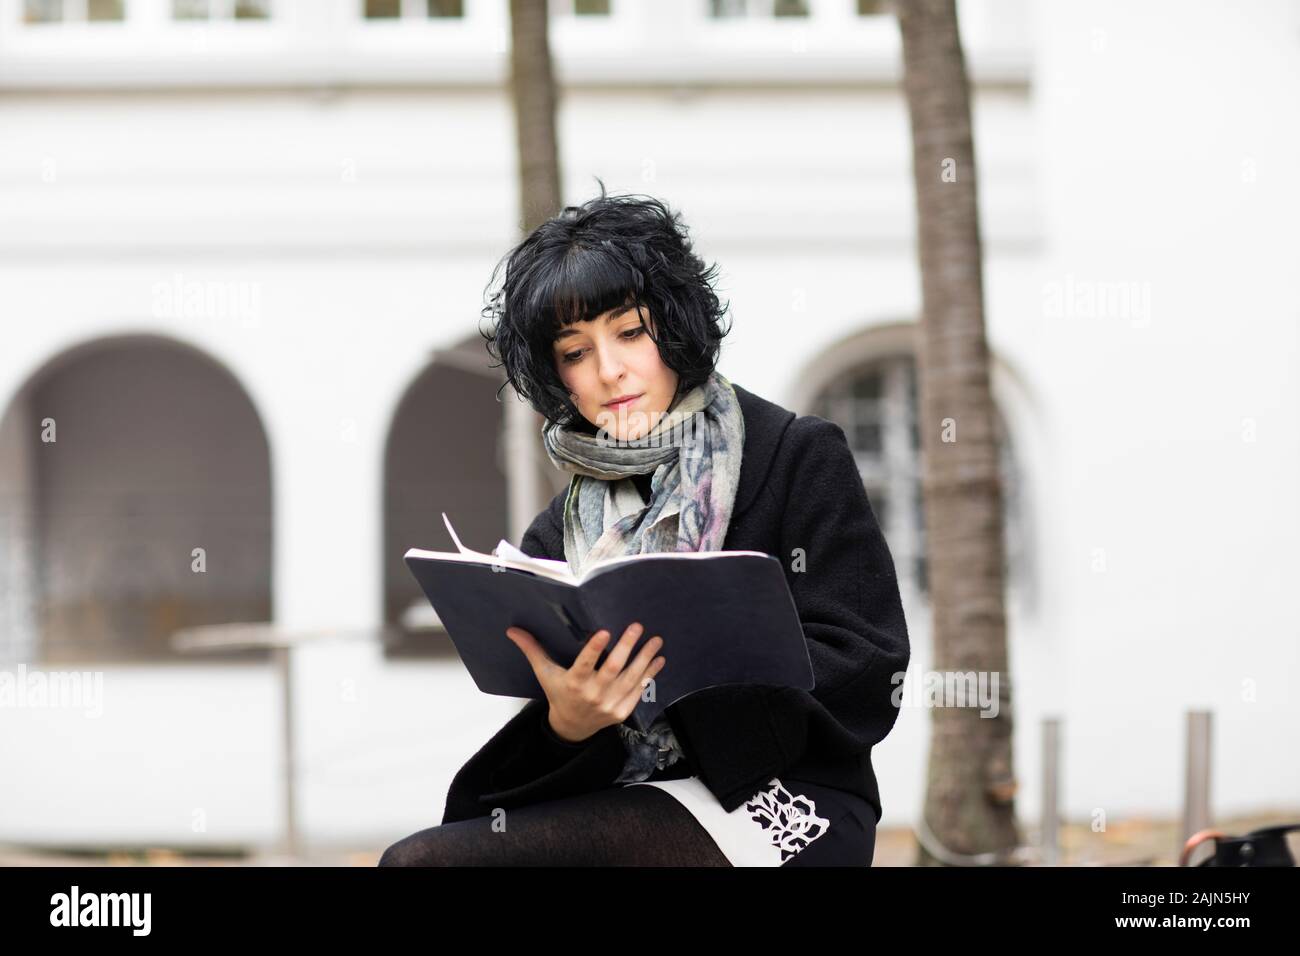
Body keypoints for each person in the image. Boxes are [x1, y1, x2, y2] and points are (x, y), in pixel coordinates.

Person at [378, 186, 910, 867]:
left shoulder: (797, 455)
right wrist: (569, 726)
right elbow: (549, 723)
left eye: (630, 332)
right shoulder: (557, 535)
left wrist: (697, 676)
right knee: (419, 860)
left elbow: (870, 660)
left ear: (676, 326)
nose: (609, 371)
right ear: (555, 376)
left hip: (785, 800)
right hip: (631, 795)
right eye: (574, 352)